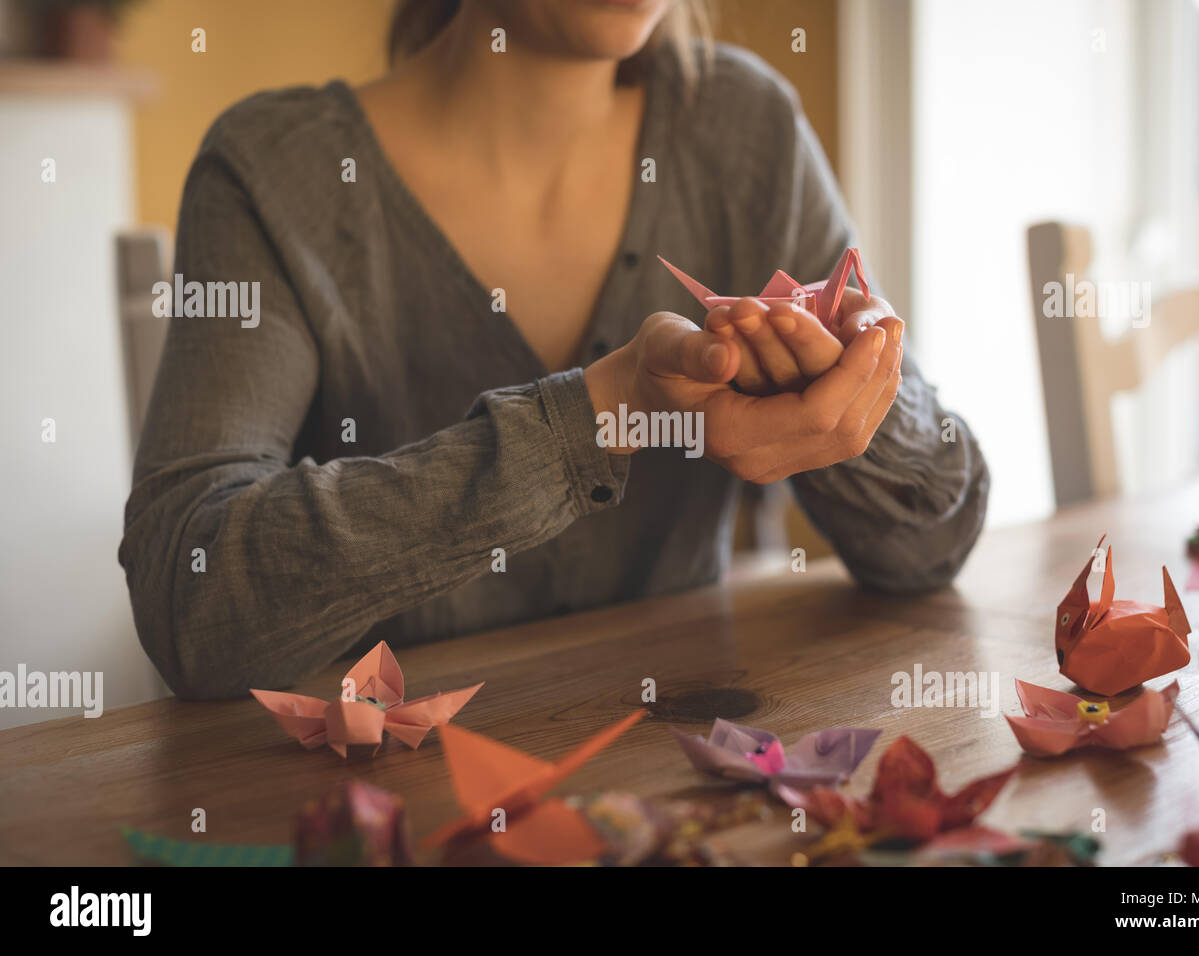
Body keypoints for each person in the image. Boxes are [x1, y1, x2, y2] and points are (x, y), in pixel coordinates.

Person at [119, 0, 989, 699]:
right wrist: (599, 415)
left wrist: (860, 405)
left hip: (690, 803)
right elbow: (191, 607)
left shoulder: (747, 128)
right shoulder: (274, 174)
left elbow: (932, 547)